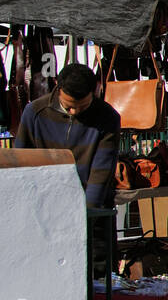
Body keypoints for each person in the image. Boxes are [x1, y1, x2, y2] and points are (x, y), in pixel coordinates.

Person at [14, 62, 120, 207]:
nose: (75, 112)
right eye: (69, 106)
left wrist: (88, 215)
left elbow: (101, 172)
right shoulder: (35, 112)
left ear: (93, 91)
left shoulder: (107, 117)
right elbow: (21, 162)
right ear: (58, 88)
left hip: (91, 210)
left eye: (82, 106)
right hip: (41, 205)